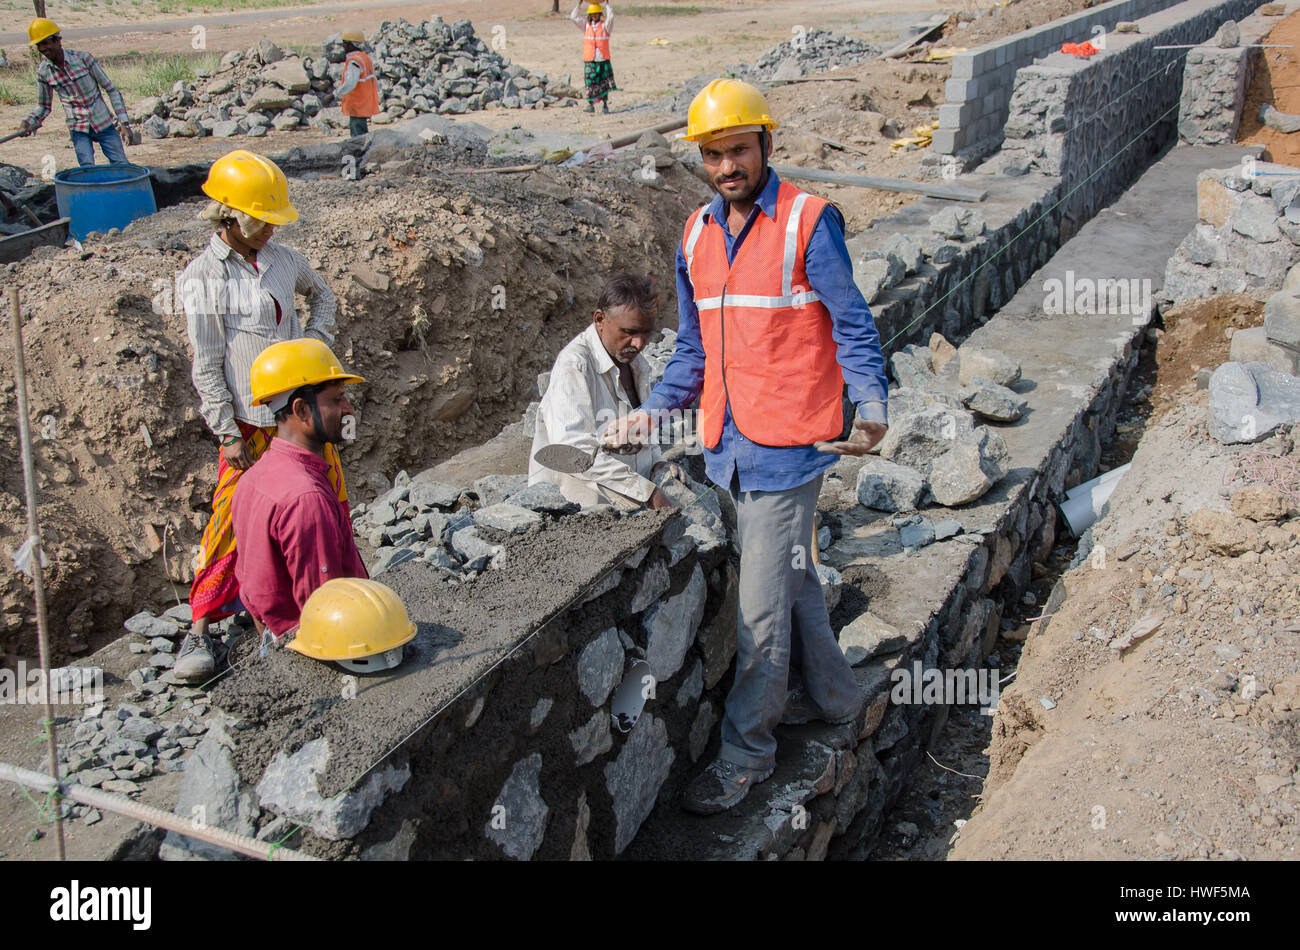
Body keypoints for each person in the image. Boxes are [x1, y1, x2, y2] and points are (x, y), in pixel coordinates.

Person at [604, 79, 890, 814]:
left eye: (738, 149)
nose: (727, 165)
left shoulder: (807, 222)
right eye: (713, 154)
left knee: (759, 611)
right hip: (728, 444)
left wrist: (874, 400)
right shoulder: (697, 235)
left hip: (790, 449)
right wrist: (657, 409)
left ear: (766, 143)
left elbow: (851, 322)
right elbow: (695, 350)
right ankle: (834, 696)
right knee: (791, 581)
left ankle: (747, 755)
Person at [178, 149, 342, 682]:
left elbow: (323, 297)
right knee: (231, 516)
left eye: (274, 221)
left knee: (323, 500)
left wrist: (313, 343)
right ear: (229, 216)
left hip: (297, 412)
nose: (269, 229)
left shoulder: (283, 260)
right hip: (251, 421)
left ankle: (326, 598)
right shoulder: (203, 277)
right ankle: (200, 628)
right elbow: (206, 362)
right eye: (261, 220)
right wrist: (226, 431)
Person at [231, 339, 368, 639]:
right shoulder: (306, 498)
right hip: (322, 647)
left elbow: (253, 586)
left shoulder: (252, 478)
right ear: (302, 410)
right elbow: (323, 608)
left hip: (278, 639)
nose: (348, 408)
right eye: (337, 400)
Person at [530, 273, 680, 510]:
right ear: (600, 319)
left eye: (646, 333)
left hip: (630, 509)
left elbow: (643, 429)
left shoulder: (638, 366)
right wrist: (648, 494)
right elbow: (574, 452)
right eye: (629, 332)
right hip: (580, 513)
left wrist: (658, 463)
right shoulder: (575, 365)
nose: (639, 344)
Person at [17, 19, 131, 167]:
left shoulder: (83, 58)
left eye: (45, 43)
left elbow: (111, 90)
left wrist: (124, 123)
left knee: (122, 166)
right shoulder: (43, 72)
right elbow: (44, 107)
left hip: (103, 123)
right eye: (39, 45)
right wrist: (28, 123)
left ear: (58, 41)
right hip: (78, 128)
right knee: (86, 171)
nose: (43, 48)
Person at [570, 2, 615, 114]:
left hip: (602, 59)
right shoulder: (586, 26)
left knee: (603, 84)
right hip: (590, 59)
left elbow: (611, 17)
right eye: (592, 14)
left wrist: (607, 4)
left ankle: (605, 105)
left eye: (596, 13)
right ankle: (591, 105)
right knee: (590, 83)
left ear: (600, 14)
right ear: (589, 15)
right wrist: (579, 4)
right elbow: (573, 17)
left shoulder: (605, 26)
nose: (594, 15)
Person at [334, 29, 379, 138]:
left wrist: (334, 95)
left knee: (358, 137)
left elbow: (350, 83)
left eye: (345, 43)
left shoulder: (354, 61)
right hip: (364, 102)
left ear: (351, 45)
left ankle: (361, 154)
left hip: (357, 104)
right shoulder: (365, 58)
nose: (343, 46)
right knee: (361, 132)